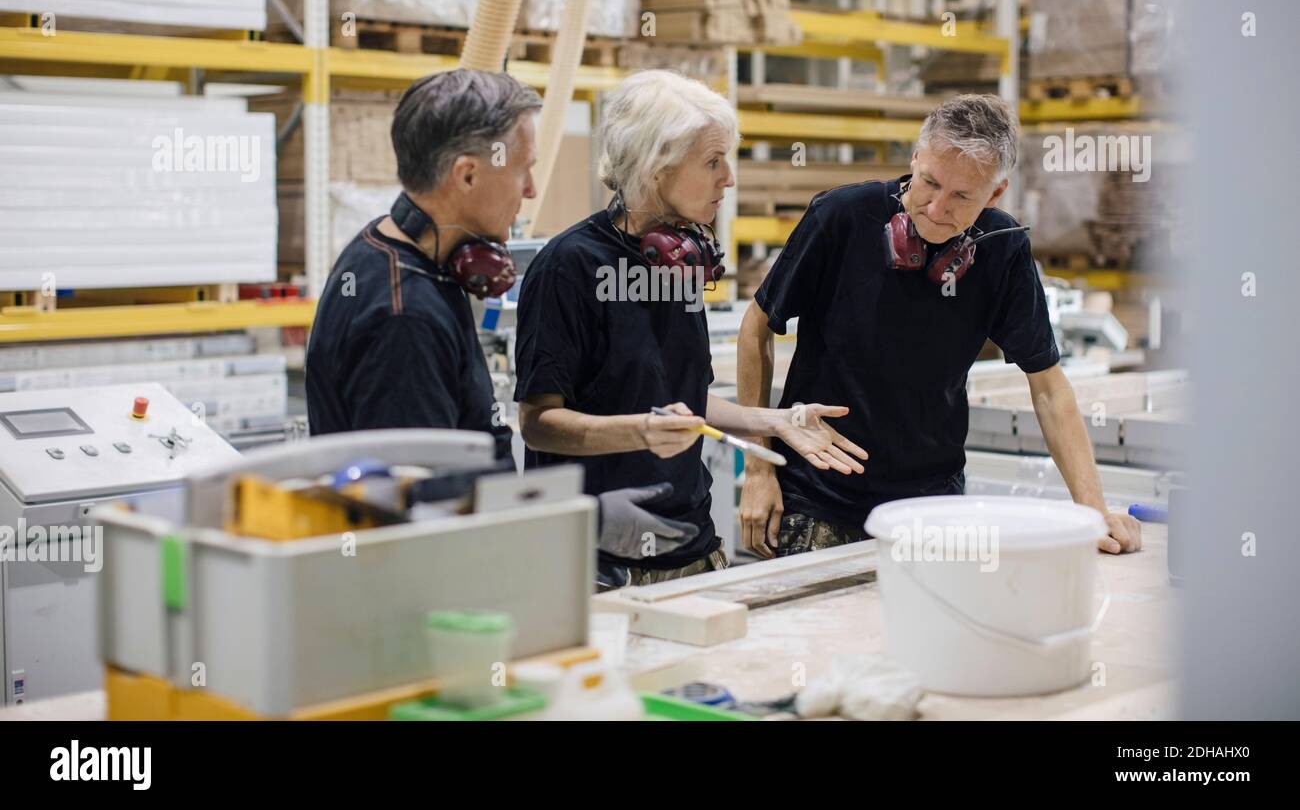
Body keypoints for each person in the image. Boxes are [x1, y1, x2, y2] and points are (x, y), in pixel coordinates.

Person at [305, 68, 691, 559]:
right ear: (467, 174)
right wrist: (579, 521)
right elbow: (418, 511)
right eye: (522, 170)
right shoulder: (404, 318)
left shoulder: (394, 251)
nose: (530, 190)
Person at [735, 93, 1143, 557]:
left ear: (994, 193)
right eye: (929, 182)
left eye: (961, 197)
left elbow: (1048, 387)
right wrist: (758, 468)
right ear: (915, 158)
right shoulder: (841, 217)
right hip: (819, 505)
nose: (934, 209)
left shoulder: (1002, 251)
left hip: (933, 512)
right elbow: (756, 329)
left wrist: (1093, 512)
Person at [515, 70, 868, 588]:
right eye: (712, 161)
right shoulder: (568, 267)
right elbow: (539, 422)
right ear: (658, 167)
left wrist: (773, 421)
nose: (729, 178)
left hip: (690, 548)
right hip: (596, 568)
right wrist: (639, 431)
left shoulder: (678, 263)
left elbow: (684, 403)